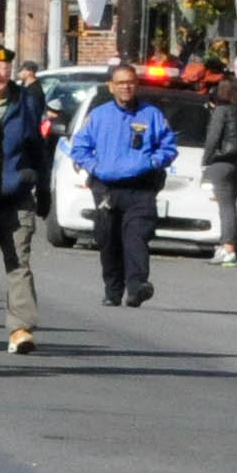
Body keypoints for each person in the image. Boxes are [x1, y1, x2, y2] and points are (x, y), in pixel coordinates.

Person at [70, 65, 178, 309]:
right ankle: (113, 290)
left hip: (141, 187)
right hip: (106, 188)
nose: (126, 87)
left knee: (136, 236)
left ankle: (137, 286)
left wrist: (153, 161)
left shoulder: (152, 114)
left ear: (136, 85)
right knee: (108, 238)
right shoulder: (99, 116)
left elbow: (168, 146)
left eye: (130, 82)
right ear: (111, 86)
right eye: (120, 83)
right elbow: (80, 148)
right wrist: (94, 166)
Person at [0, 48, 49, 353]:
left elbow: (37, 148)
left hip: (16, 196)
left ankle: (20, 328)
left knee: (18, 263)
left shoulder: (26, 102)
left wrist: (42, 186)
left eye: (4, 67)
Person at [201, 61, 237, 265]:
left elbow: (213, 138)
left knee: (225, 206)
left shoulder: (221, 111)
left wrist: (206, 160)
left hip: (222, 161)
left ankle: (227, 247)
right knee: (235, 204)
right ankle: (231, 244)